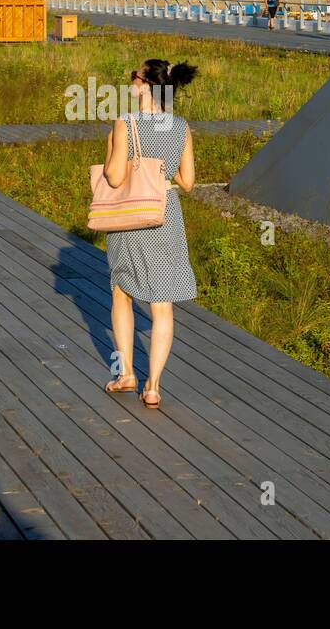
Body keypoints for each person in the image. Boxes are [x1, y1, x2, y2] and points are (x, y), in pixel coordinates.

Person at [101, 59, 198, 411]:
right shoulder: (181, 126)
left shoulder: (125, 124)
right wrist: (161, 175)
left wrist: (114, 145)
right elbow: (187, 183)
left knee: (122, 292)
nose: (130, 81)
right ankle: (153, 386)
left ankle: (126, 373)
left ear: (143, 85)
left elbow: (113, 178)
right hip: (166, 215)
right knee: (162, 304)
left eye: (133, 76)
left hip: (131, 218)